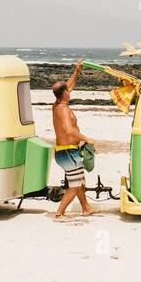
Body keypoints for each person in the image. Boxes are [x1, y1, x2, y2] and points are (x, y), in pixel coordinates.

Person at [51, 60, 97, 218]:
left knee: (79, 181)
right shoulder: (63, 109)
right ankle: (59, 213)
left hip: (66, 152)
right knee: (74, 186)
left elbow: (69, 86)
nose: (70, 91)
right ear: (65, 94)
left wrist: (77, 71)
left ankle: (86, 208)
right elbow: (69, 130)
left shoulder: (57, 104)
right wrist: (87, 138)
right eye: (68, 91)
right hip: (67, 153)